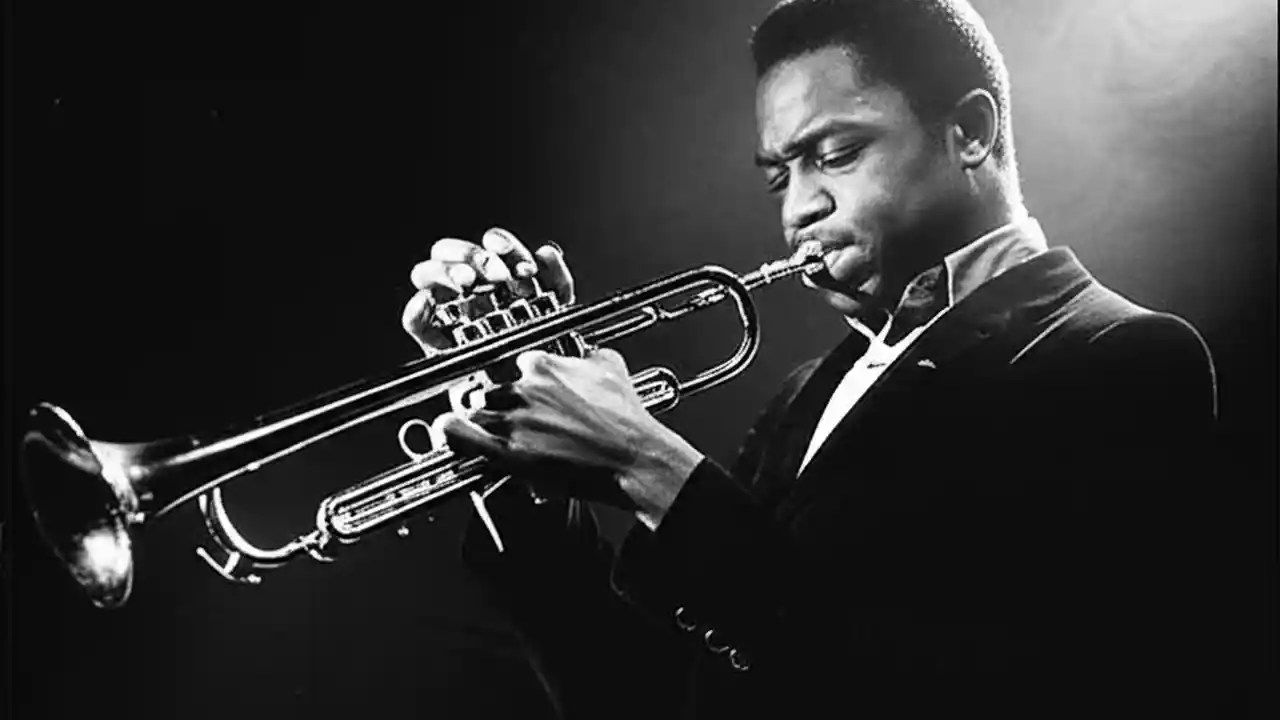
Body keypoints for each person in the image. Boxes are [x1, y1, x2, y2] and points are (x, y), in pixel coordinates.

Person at [400, 1, 1223, 717]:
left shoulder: (1121, 356)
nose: (800, 209)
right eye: (778, 177)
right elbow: (646, 698)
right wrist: (521, 469)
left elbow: (964, 694)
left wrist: (645, 460)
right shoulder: (809, 392)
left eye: (835, 155)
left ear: (968, 132)